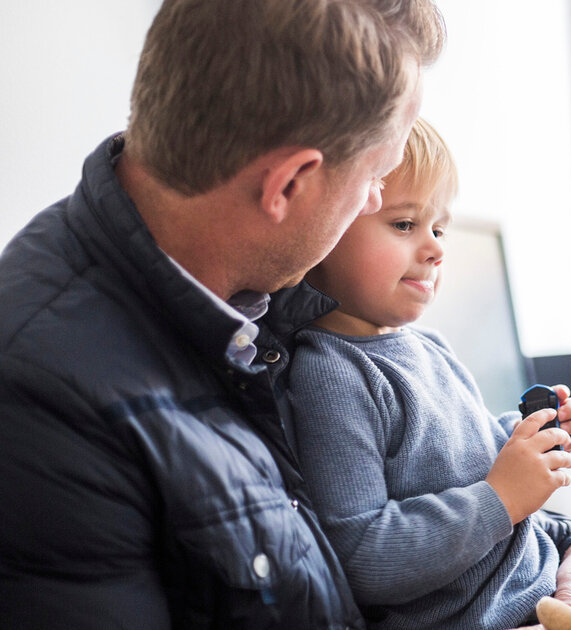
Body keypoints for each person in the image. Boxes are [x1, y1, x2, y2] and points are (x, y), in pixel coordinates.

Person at [0, 1, 444, 627]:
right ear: (287, 185)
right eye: (377, 175)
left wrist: (567, 548)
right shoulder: (45, 405)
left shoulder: (272, 305)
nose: (374, 199)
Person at [288, 117, 571, 630]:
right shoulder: (330, 375)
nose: (436, 248)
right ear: (327, 226)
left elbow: (460, 462)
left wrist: (530, 438)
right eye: (404, 224)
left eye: (439, 228)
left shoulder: (431, 348)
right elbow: (363, 555)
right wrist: (502, 497)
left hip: (546, 597)